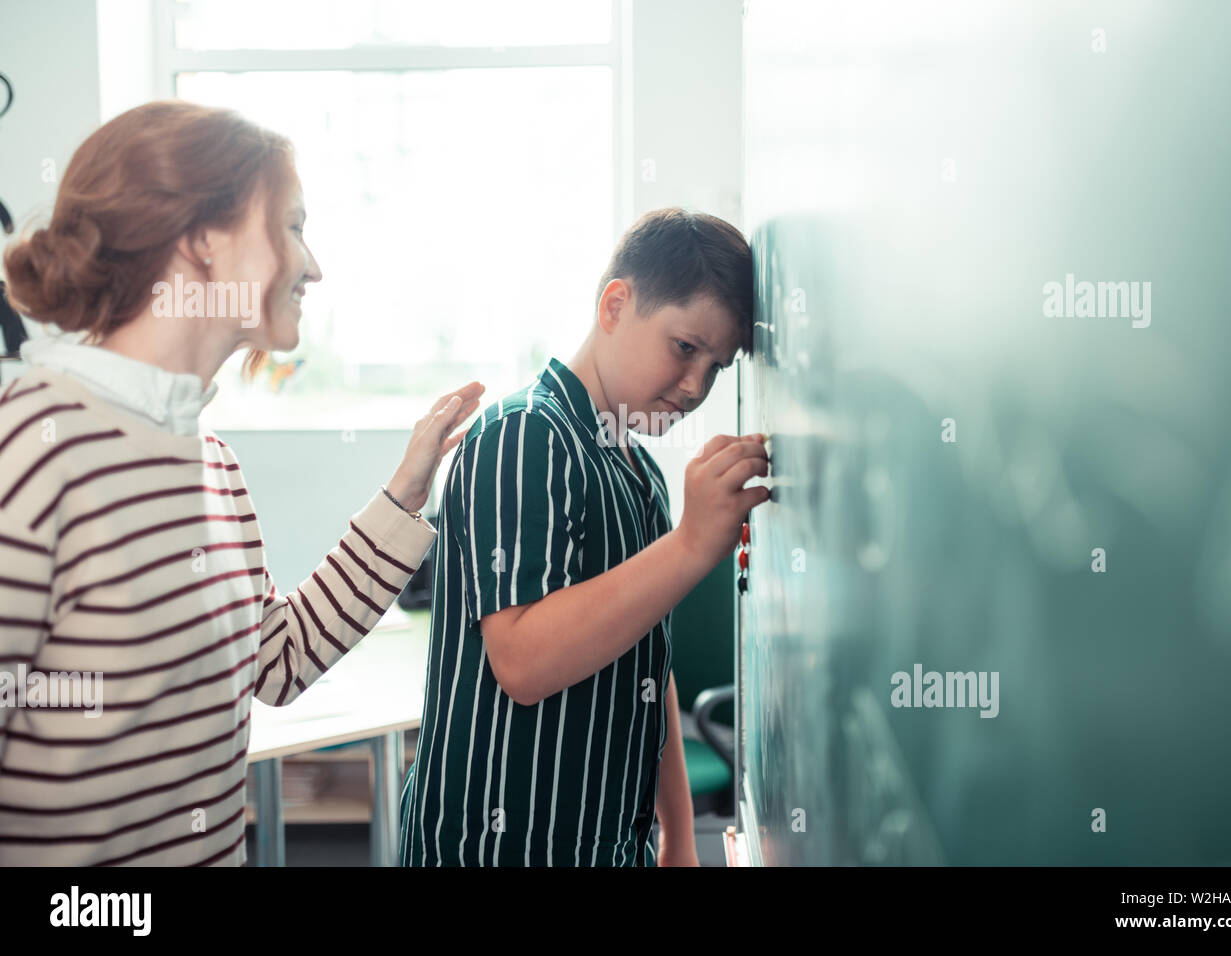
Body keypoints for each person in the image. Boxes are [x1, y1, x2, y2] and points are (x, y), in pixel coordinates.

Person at [0, 100, 483, 865]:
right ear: (200, 242)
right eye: (291, 226)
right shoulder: (30, 444)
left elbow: (277, 661)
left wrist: (403, 499)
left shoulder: (209, 459)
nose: (312, 264)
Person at [398, 207, 770, 866]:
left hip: (605, 844)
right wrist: (690, 545)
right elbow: (523, 663)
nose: (695, 387)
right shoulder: (523, 437)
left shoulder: (641, 476)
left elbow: (651, 667)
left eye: (717, 366)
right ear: (615, 305)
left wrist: (678, 837)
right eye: (685, 347)